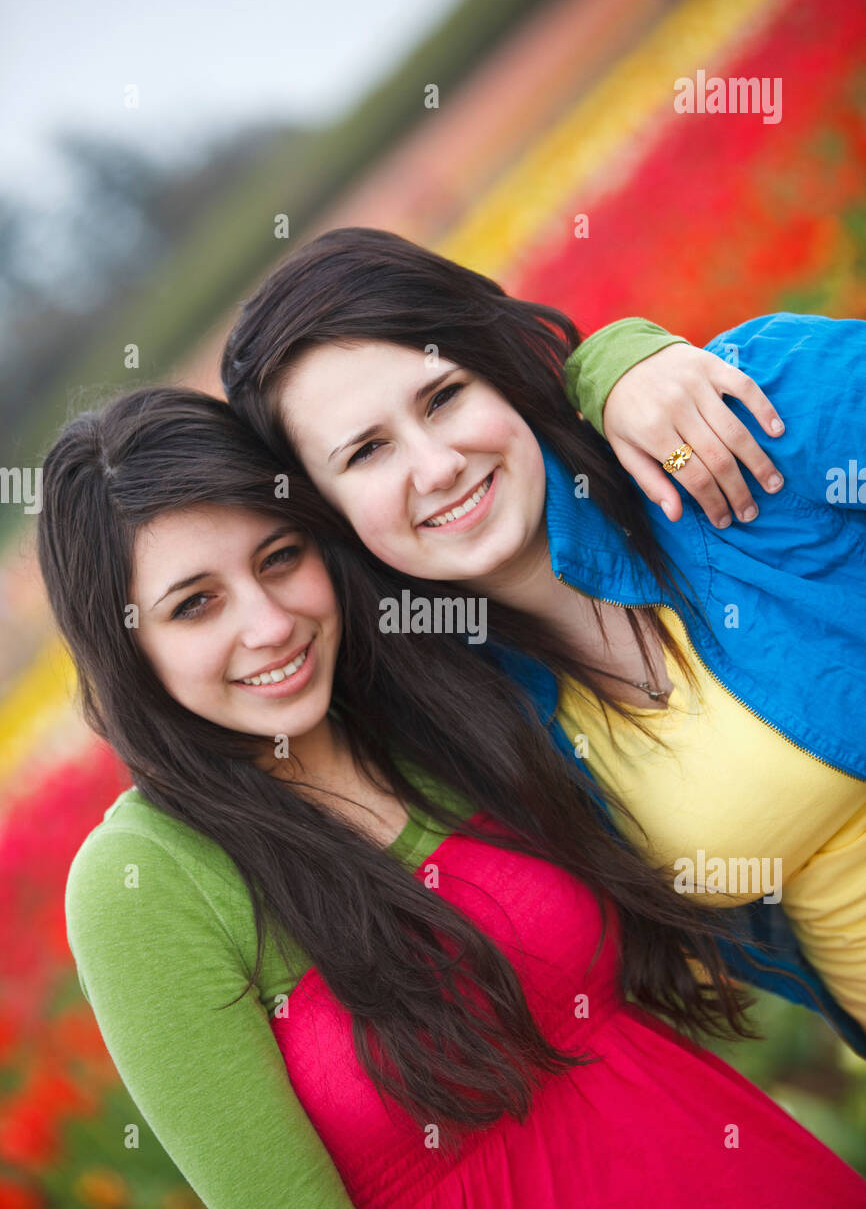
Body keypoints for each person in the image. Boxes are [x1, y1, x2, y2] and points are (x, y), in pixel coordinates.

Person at [41, 387, 866, 1209]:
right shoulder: (146, 879)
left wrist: (623, 364)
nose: (271, 624)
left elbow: (536, 449)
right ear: (125, 648)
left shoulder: (438, 702)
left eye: (280, 557)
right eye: (195, 605)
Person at [220, 226, 866, 1050]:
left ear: (500, 371)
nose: (437, 466)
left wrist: (611, 359)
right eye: (368, 452)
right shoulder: (458, 719)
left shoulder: (727, 418)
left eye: (443, 397)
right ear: (328, 514)